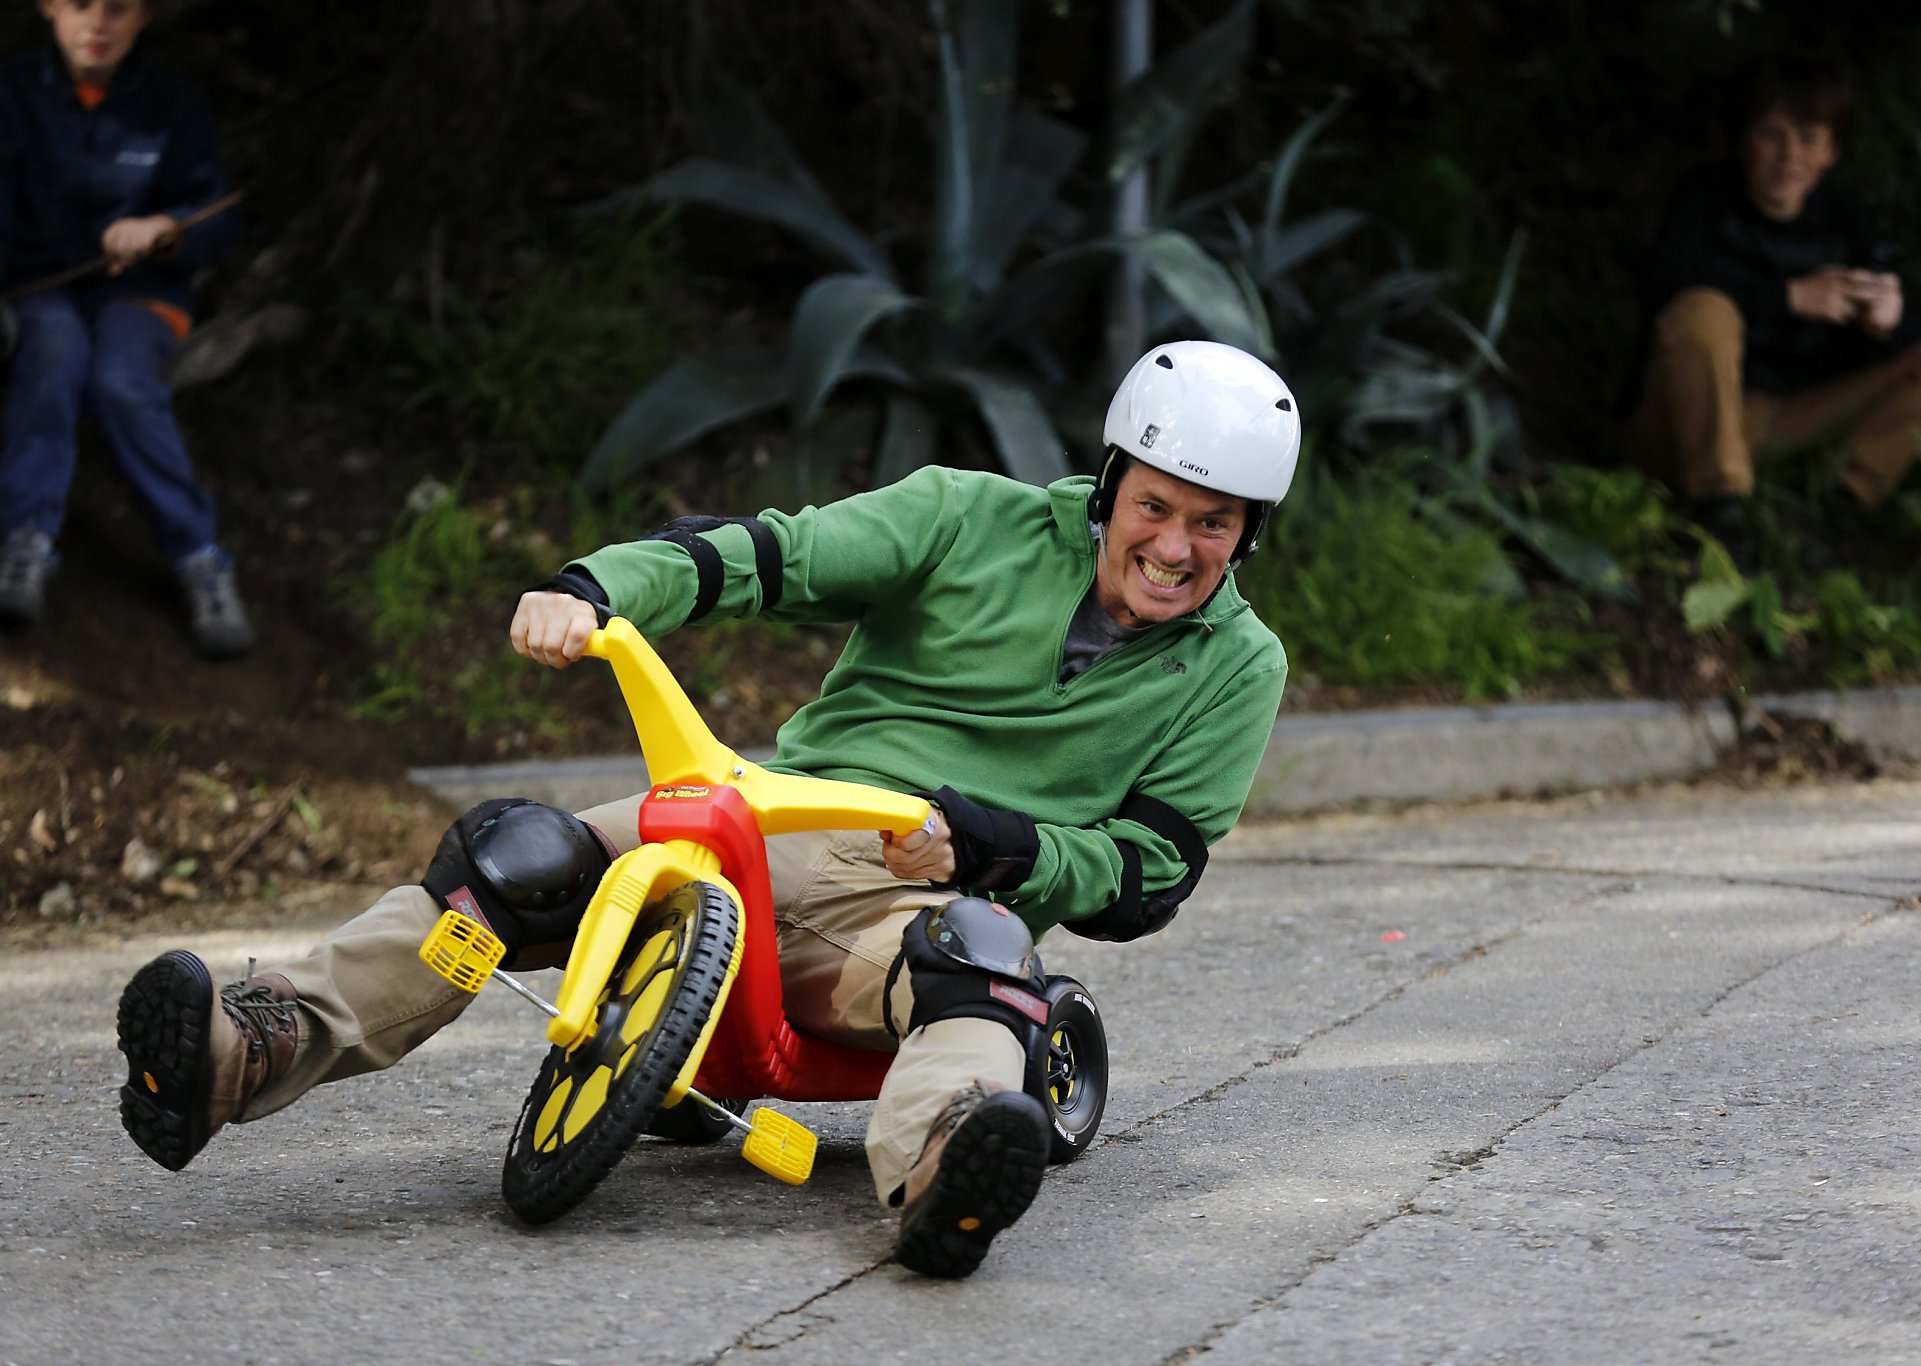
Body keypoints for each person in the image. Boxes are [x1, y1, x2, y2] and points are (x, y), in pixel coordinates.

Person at [113, 340, 1300, 1278]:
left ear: (1248, 533)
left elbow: (1148, 875)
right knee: (513, 862)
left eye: (1214, 522)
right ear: (1109, 483)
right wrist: (593, 589)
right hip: (762, 817)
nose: (1175, 544)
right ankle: (240, 1047)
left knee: (981, 960)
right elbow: (761, 556)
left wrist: (997, 845)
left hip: (911, 890)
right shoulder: (965, 518)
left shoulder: (1238, 664)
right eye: (1156, 505)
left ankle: (947, 1169)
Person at [1623, 54, 1921, 573]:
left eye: (1809, 139)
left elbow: (1908, 326)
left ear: (1830, 153)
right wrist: (1789, 297)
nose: (1788, 156)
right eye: (1773, 135)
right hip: (1694, 421)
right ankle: (1720, 513)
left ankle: (1837, 502)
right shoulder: (1705, 197)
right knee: (1704, 310)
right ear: (1746, 140)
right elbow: (1663, 291)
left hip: (1795, 419)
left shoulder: (1845, 219)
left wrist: (1889, 322)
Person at [0, 0, 253, 657]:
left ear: (144, 18)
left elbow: (218, 219)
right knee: (51, 354)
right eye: (81, 5)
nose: (98, 25)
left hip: (141, 296)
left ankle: (200, 559)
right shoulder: (13, 93)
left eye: (118, 9)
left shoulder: (172, 105)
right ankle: (24, 544)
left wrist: (166, 234)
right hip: (39, 292)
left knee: (120, 383)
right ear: (49, 9)